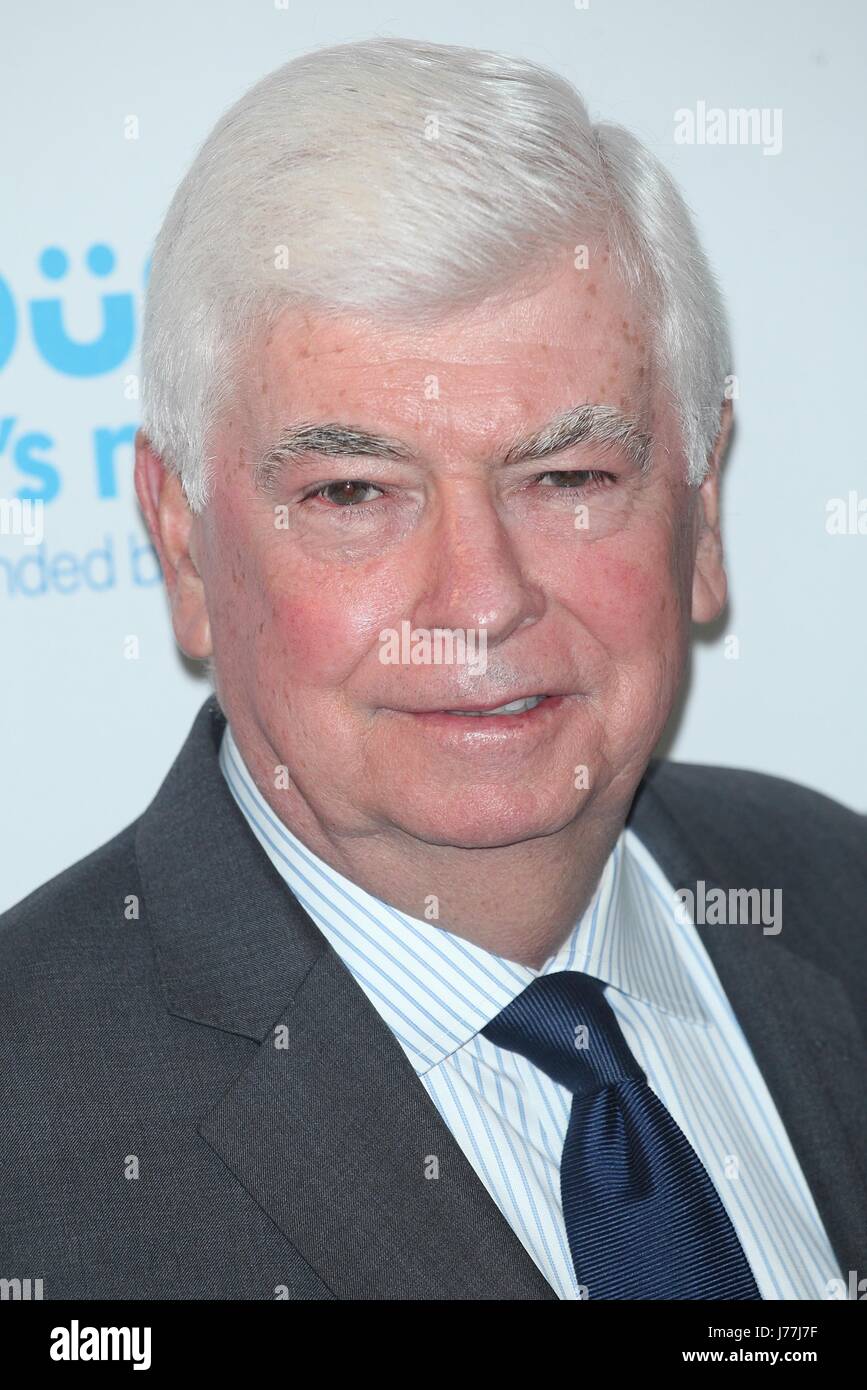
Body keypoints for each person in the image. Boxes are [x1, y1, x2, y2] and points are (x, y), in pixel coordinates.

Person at [1, 36, 864, 1301]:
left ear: (702, 508)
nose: (480, 599)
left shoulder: (834, 891)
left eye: (568, 477)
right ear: (184, 543)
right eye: (354, 491)